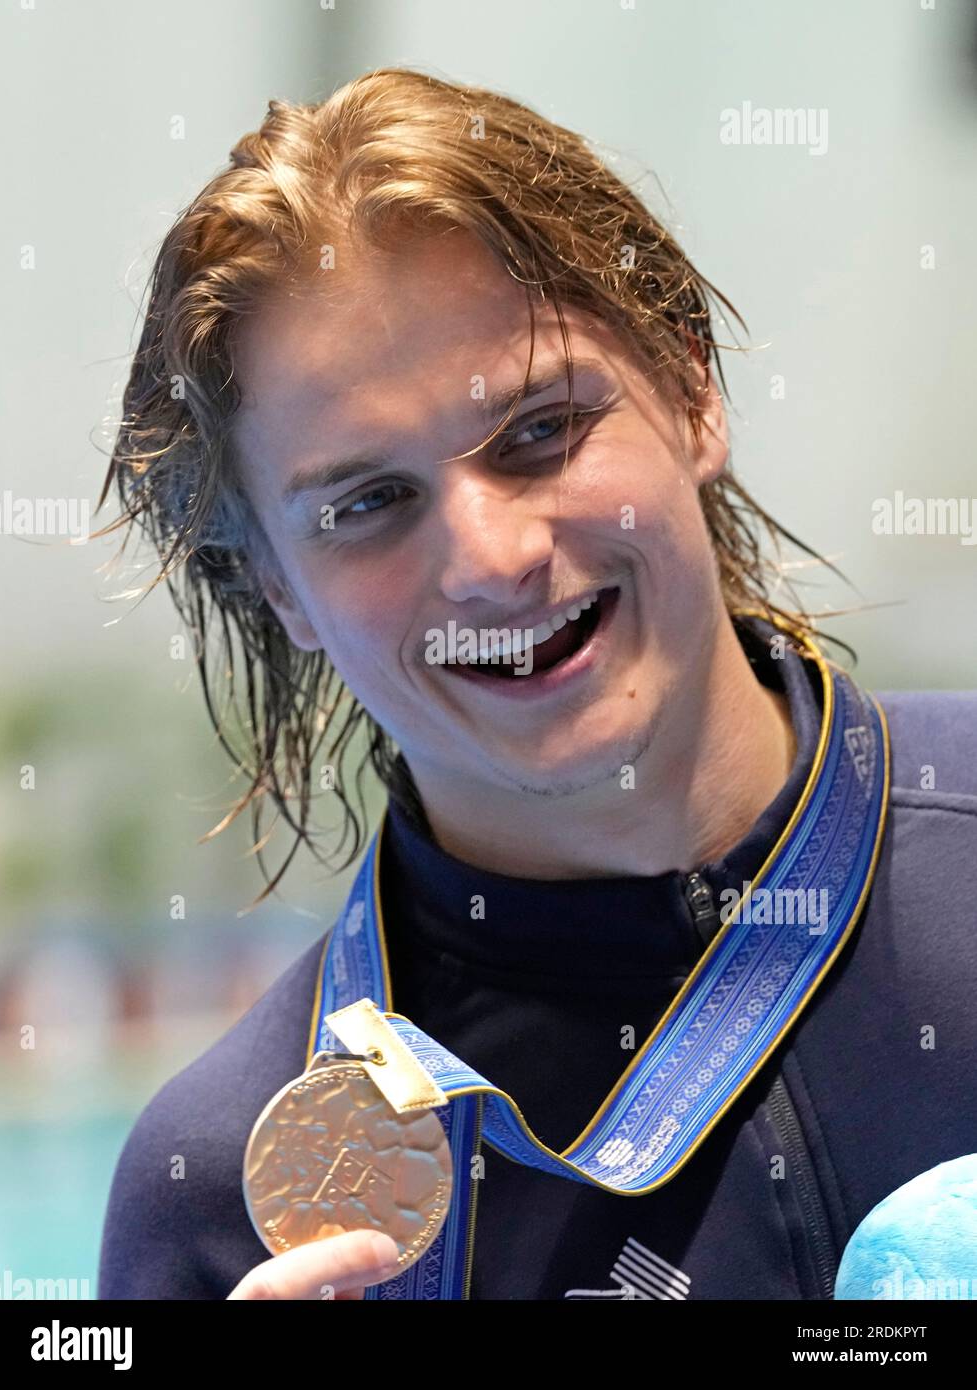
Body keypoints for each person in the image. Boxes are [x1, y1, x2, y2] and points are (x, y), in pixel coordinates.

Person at [94, 67, 977, 1301]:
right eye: (367, 503)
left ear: (691, 386)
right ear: (280, 589)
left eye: (541, 433)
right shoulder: (220, 1200)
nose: (495, 560)